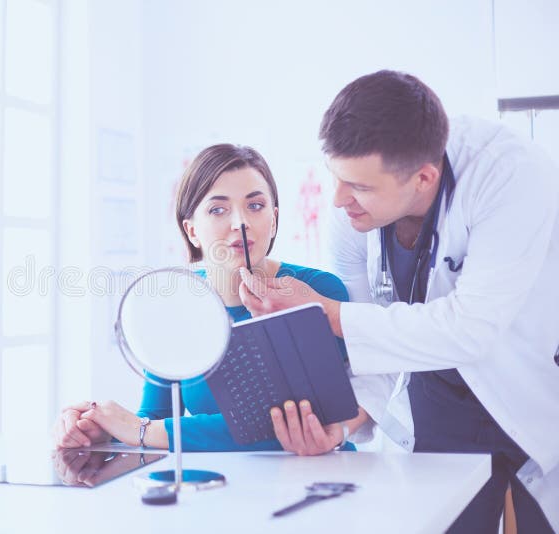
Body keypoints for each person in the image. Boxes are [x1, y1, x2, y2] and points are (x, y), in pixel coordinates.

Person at [238, 70, 558, 532]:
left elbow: (470, 329)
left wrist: (324, 313)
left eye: (361, 187)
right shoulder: (351, 209)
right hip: (434, 410)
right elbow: (381, 342)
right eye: (336, 177)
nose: (339, 200)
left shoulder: (509, 174)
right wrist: (345, 423)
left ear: (423, 177)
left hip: (525, 395)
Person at [52, 143, 357, 453]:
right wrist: (103, 431)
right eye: (218, 209)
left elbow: (290, 424)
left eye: (255, 206)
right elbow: (155, 418)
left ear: (274, 219)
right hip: (222, 487)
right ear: (192, 230)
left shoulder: (320, 291)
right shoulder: (174, 306)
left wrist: (135, 429)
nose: (240, 222)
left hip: (322, 477)